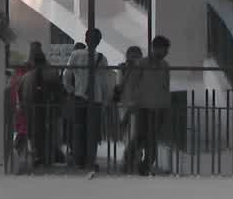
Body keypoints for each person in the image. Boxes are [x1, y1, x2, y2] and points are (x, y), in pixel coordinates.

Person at [62, 29, 115, 170]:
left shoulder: (75, 54)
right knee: (92, 131)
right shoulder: (102, 58)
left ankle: (78, 160)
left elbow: (66, 75)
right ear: (99, 41)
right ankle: (90, 160)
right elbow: (105, 82)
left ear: (85, 39)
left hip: (79, 96)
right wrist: (106, 99)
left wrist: (70, 90)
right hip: (96, 99)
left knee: (78, 129)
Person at [121, 36, 172, 175]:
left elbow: (165, 87)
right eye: (164, 49)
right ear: (155, 48)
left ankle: (144, 166)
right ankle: (130, 161)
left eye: (166, 50)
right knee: (141, 136)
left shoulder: (165, 66)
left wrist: (166, 105)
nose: (165, 52)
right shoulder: (141, 64)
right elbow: (132, 85)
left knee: (151, 138)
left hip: (158, 107)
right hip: (142, 107)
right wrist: (133, 103)